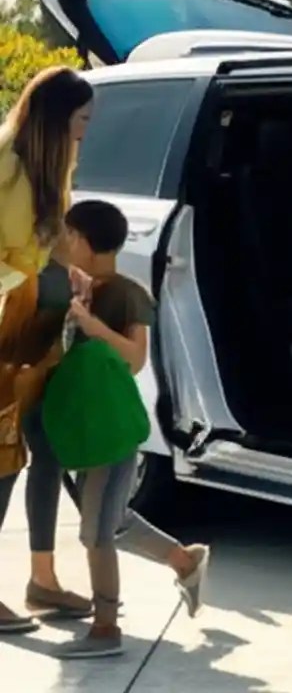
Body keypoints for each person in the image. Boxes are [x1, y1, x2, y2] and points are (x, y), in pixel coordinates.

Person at [33, 199, 210, 658]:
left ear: (81, 240)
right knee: (111, 521)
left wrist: (91, 324)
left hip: (110, 427)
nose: (61, 246)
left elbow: (134, 359)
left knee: (96, 533)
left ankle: (106, 628)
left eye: (66, 236)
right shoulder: (75, 284)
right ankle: (184, 560)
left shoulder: (127, 293)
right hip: (83, 425)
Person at [0, 66, 95, 633]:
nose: (85, 131)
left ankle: (43, 581)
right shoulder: (6, 163)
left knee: (48, 446)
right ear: (57, 120)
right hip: (9, 328)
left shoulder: (47, 165)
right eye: (81, 120)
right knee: (4, 460)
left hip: (40, 325)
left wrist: (73, 271)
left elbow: (49, 231)